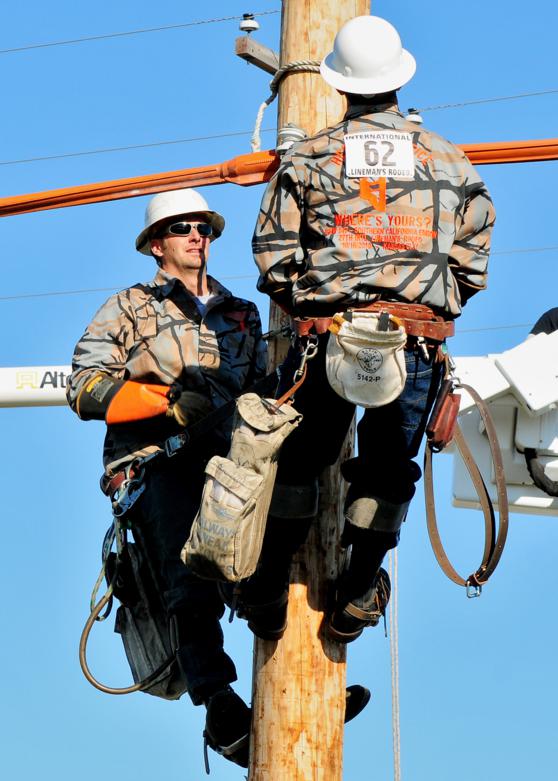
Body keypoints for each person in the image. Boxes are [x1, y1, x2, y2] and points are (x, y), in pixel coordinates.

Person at [248, 15, 496, 645]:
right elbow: (472, 259)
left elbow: (273, 256)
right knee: (388, 471)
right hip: (413, 348)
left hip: (328, 339)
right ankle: (359, 587)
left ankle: (270, 584)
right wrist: (427, 309)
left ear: (340, 85)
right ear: (397, 79)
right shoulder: (450, 160)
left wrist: (313, 302)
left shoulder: (306, 159)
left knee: (297, 462)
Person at [67, 188, 268, 768]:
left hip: (227, 458)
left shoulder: (241, 314)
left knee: (274, 545)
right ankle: (220, 703)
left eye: (204, 228)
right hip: (156, 459)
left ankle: (299, 683)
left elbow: (262, 390)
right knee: (190, 570)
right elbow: (84, 387)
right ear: (157, 244)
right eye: (183, 228)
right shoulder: (130, 307)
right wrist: (167, 405)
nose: (197, 237)